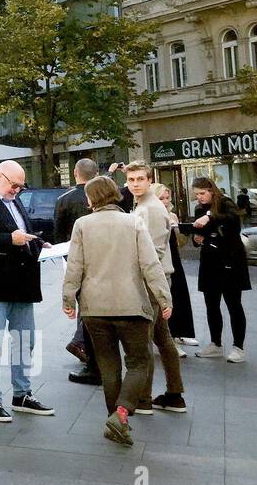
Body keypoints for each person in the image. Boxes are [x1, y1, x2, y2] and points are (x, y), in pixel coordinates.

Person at [61, 176, 172, 446]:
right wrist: (164, 297)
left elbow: (75, 267)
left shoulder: (82, 225)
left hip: (95, 309)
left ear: (92, 199)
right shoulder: (133, 222)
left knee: (108, 365)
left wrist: (68, 299)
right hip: (131, 305)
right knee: (139, 362)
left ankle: (115, 418)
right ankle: (121, 414)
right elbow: (150, 264)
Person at [0, 161, 55, 422]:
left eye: (20, 186)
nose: (17, 190)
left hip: (22, 283)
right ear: (0, 177)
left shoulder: (13, 200)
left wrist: (36, 242)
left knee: (26, 340)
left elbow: (21, 231)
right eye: (15, 185)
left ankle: (22, 393)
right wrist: (9, 240)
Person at [125, 162, 186, 414]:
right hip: (156, 280)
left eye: (140, 179)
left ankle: (144, 399)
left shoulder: (148, 209)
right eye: (131, 179)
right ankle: (174, 394)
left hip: (150, 282)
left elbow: (151, 253)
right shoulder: (145, 206)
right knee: (163, 338)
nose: (135, 183)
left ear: (150, 180)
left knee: (144, 342)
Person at [191, 177, 251, 362]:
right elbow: (199, 233)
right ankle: (215, 343)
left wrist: (210, 216)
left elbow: (233, 219)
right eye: (196, 194)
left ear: (211, 190)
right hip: (210, 260)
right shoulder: (199, 208)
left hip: (230, 260)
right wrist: (196, 239)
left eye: (202, 193)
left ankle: (238, 346)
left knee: (233, 304)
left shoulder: (225, 202)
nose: (199, 197)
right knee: (211, 304)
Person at [55, 158, 101, 386]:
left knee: (86, 306)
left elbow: (59, 235)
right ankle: (87, 347)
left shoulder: (64, 200)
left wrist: (67, 259)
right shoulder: (107, 198)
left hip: (74, 259)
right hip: (104, 261)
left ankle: (86, 347)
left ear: (75, 173)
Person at [157, 184, 198, 344]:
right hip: (162, 260)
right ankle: (169, 337)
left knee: (180, 294)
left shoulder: (172, 215)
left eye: (167, 198)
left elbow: (181, 241)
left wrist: (177, 227)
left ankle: (182, 332)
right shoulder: (153, 215)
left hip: (175, 258)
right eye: (161, 198)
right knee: (167, 297)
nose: (166, 201)